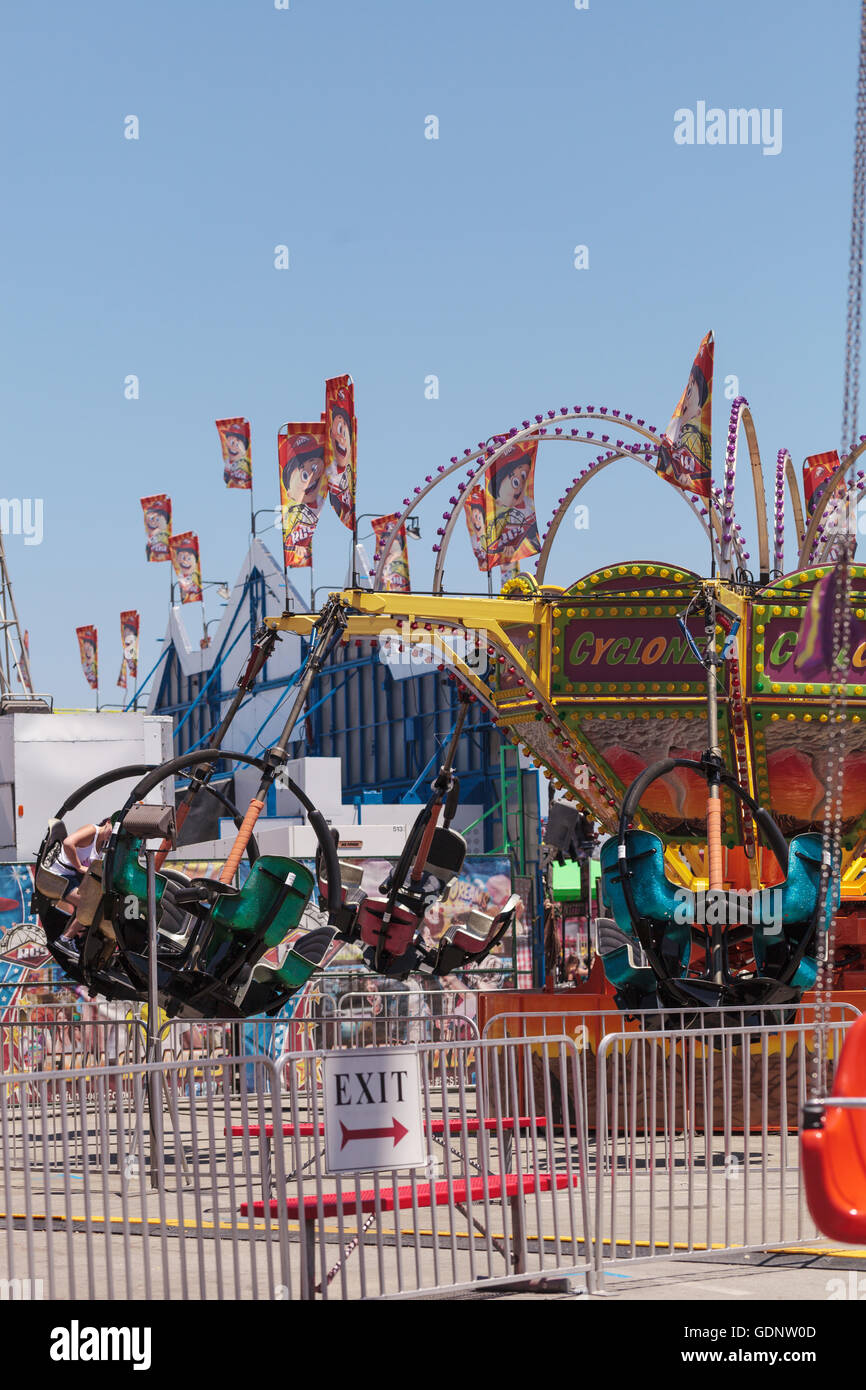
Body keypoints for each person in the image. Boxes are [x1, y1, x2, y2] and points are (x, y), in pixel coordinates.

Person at [55, 818, 114, 946]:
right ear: (108, 822)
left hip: (72, 878)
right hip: (59, 877)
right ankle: (65, 940)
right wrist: (79, 866)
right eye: (113, 829)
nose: (113, 834)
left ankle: (82, 940)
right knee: (91, 905)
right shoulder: (92, 830)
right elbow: (68, 843)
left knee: (102, 900)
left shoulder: (104, 843)